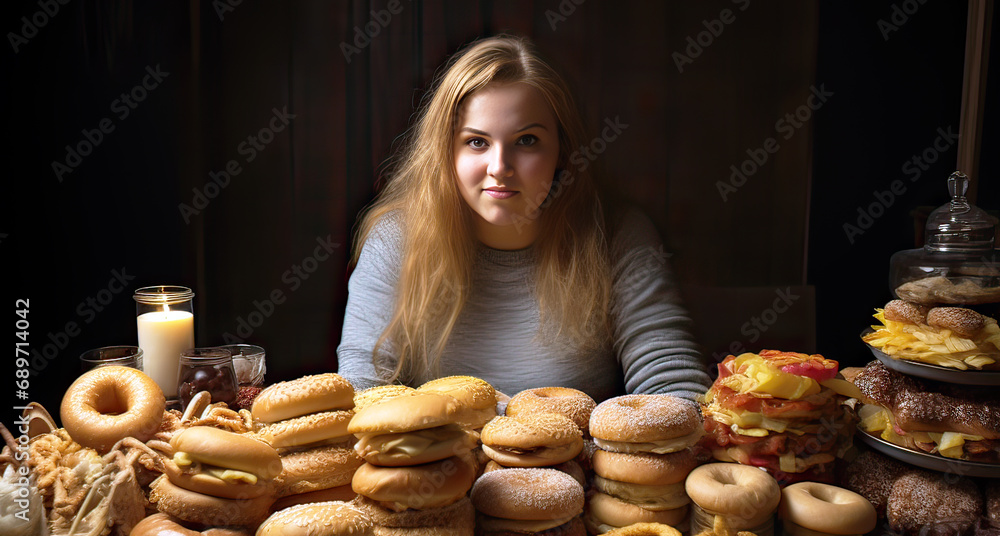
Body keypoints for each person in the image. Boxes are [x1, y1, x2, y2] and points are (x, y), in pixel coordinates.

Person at [336, 35, 711, 404]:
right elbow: (362, 393)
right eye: (477, 142)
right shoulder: (396, 239)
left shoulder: (616, 234)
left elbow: (676, 389)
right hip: (432, 451)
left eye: (526, 140)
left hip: (581, 448)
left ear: (562, 149)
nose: (500, 167)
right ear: (446, 151)